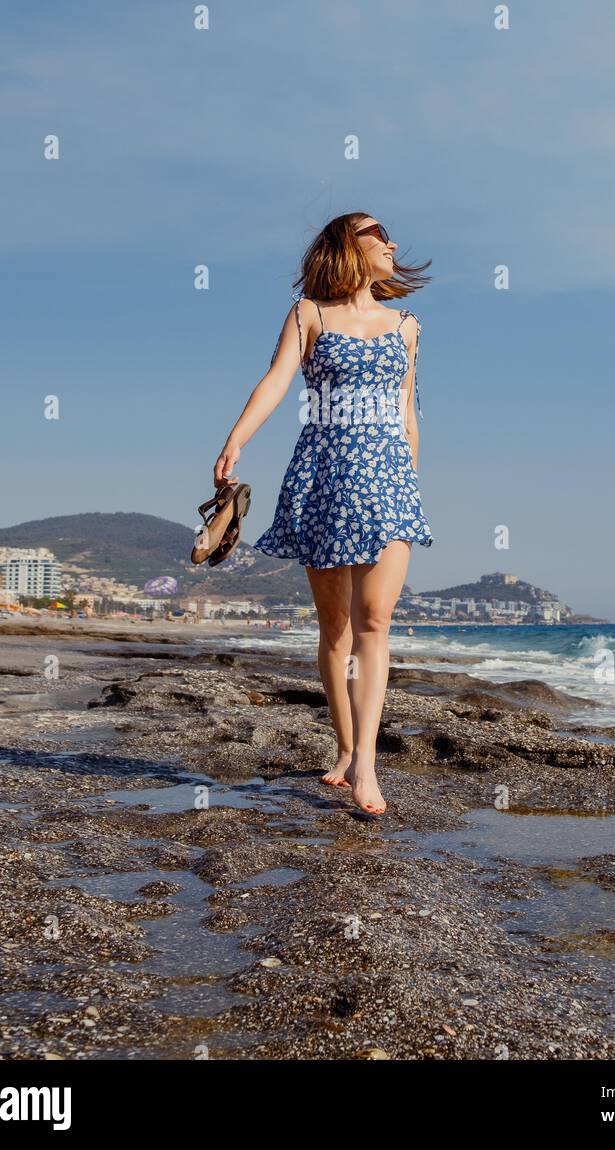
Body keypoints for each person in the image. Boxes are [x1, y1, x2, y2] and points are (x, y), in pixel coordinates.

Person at [213, 212, 433, 814]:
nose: (390, 242)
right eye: (377, 232)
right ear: (347, 245)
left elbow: (408, 410)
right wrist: (236, 440)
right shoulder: (309, 313)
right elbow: (276, 382)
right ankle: (343, 747)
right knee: (335, 629)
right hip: (324, 474)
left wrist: (409, 481)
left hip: (388, 479)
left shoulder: (407, 326)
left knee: (375, 622)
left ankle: (366, 762)